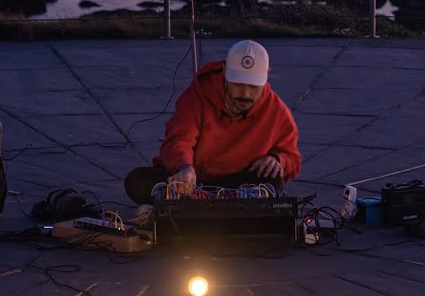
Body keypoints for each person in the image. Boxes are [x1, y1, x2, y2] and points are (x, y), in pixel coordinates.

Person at [124, 40, 301, 205]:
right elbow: (179, 139)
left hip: (238, 182)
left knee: (272, 179)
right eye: (238, 84)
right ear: (224, 71)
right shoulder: (197, 96)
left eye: (253, 86)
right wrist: (184, 167)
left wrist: (278, 159)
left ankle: (202, 205)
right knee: (137, 182)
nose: (245, 94)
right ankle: (223, 205)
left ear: (267, 76)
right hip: (191, 180)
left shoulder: (276, 110)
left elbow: (292, 158)